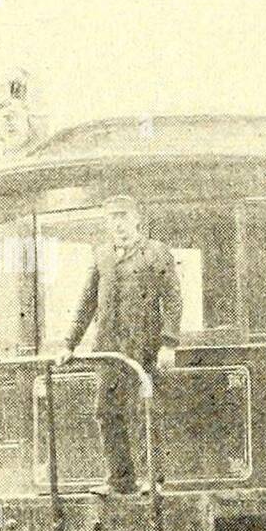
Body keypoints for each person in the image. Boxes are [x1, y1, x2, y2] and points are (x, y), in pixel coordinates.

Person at [59, 195, 181, 495]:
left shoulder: (156, 253)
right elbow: (87, 302)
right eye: (113, 219)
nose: (119, 224)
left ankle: (152, 480)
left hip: (143, 348)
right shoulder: (102, 256)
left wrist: (168, 343)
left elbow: (173, 299)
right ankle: (119, 480)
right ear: (107, 223)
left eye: (124, 217)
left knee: (143, 411)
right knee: (106, 411)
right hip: (109, 350)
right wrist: (69, 343)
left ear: (136, 219)